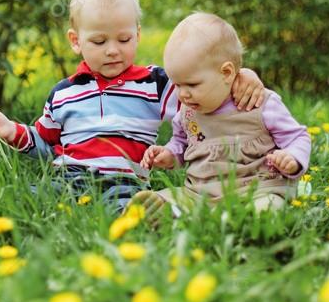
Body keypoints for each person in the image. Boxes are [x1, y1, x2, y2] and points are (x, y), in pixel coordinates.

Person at [0, 0, 266, 214]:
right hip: (69, 177)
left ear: (137, 34)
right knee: (37, 196)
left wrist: (242, 75)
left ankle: (148, 216)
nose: (113, 49)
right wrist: (11, 130)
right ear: (76, 41)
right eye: (99, 41)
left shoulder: (157, 83)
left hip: (125, 180)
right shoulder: (64, 93)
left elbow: (204, 97)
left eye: (123, 39)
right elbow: (46, 142)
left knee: (127, 208)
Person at [132, 12, 310, 219]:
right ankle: (163, 211)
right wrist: (170, 155)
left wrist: (293, 158)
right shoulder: (187, 112)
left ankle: (249, 219)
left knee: (267, 206)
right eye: (177, 85)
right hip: (199, 195)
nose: (182, 94)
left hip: (256, 191)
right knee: (172, 196)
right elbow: (180, 142)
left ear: (226, 73)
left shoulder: (260, 104)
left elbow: (298, 137)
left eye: (192, 84)